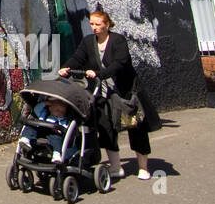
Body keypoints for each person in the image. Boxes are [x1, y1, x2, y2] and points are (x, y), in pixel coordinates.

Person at [60, 10, 152, 179]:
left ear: (107, 24)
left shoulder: (118, 40)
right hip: (103, 93)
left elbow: (121, 63)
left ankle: (143, 167)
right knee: (106, 128)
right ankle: (116, 167)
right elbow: (78, 58)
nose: (94, 28)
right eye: (92, 24)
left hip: (125, 91)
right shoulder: (89, 42)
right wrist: (66, 68)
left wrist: (100, 74)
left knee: (135, 127)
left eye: (98, 24)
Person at [18, 98, 72, 163]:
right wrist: (45, 103)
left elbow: (65, 129)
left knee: (57, 139)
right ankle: (25, 139)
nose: (59, 113)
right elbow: (36, 110)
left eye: (62, 112)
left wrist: (59, 131)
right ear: (50, 108)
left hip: (53, 133)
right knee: (31, 127)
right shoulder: (44, 114)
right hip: (41, 130)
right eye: (57, 110)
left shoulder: (63, 120)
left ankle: (57, 154)